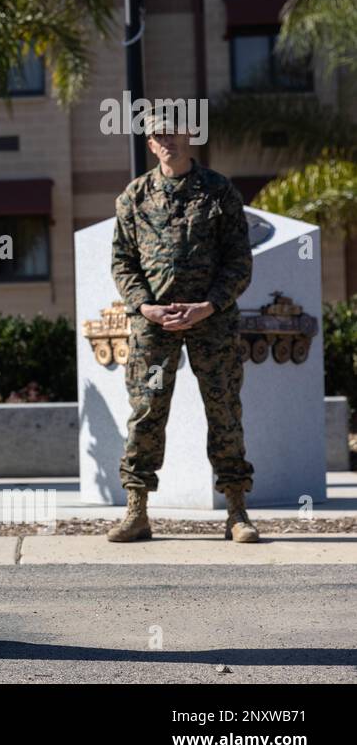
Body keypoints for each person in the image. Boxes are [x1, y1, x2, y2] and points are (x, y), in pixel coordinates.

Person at [109, 112, 257, 543]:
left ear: (189, 135)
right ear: (151, 144)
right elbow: (123, 262)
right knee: (146, 412)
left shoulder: (219, 192)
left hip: (211, 323)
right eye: (158, 135)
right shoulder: (134, 197)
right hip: (155, 329)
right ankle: (137, 511)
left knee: (224, 411)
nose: (166, 140)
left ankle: (236, 511)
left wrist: (208, 305)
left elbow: (239, 260)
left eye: (173, 132)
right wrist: (145, 307)